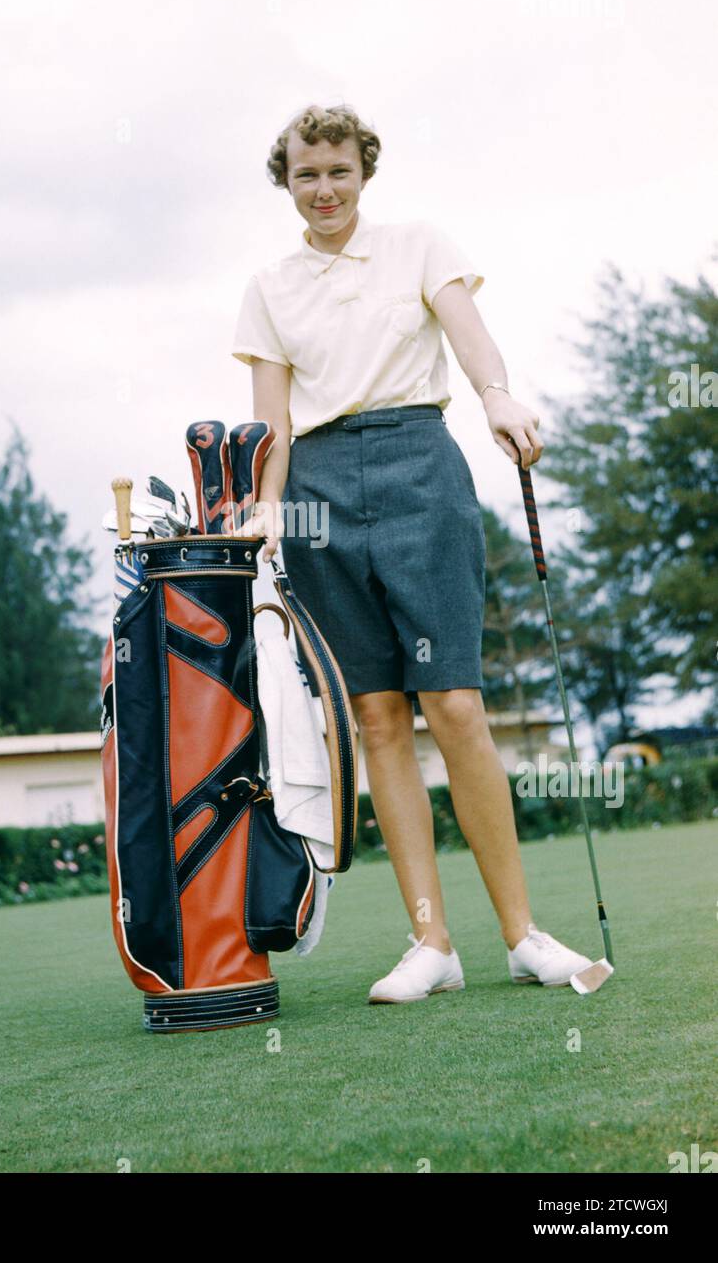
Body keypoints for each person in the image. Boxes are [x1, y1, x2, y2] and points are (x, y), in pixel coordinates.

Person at [231, 102, 593, 1003]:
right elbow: (269, 420)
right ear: (287, 181)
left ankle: (521, 935)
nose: (324, 189)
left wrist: (499, 398)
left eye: (339, 171)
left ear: (365, 173)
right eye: (307, 174)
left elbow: (469, 341)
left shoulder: (421, 244)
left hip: (419, 470)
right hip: (317, 488)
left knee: (456, 704)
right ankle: (431, 943)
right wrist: (267, 508)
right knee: (378, 718)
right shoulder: (268, 287)